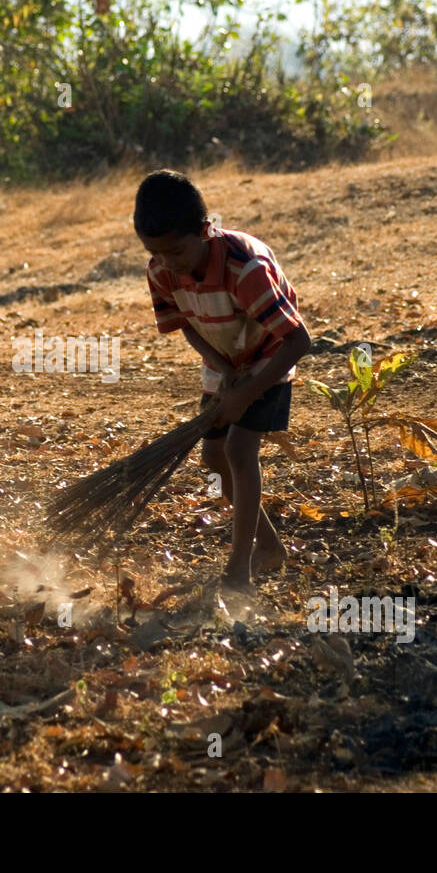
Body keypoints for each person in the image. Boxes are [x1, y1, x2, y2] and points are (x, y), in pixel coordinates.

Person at [134, 169, 311, 588]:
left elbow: (298, 340)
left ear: (205, 230)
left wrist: (249, 388)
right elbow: (186, 324)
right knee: (212, 459)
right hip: (226, 359)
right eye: (155, 253)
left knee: (238, 449)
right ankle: (270, 546)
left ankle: (238, 568)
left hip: (270, 356)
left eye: (177, 252)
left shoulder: (243, 268)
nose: (169, 264)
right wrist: (226, 370)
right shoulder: (160, 269)